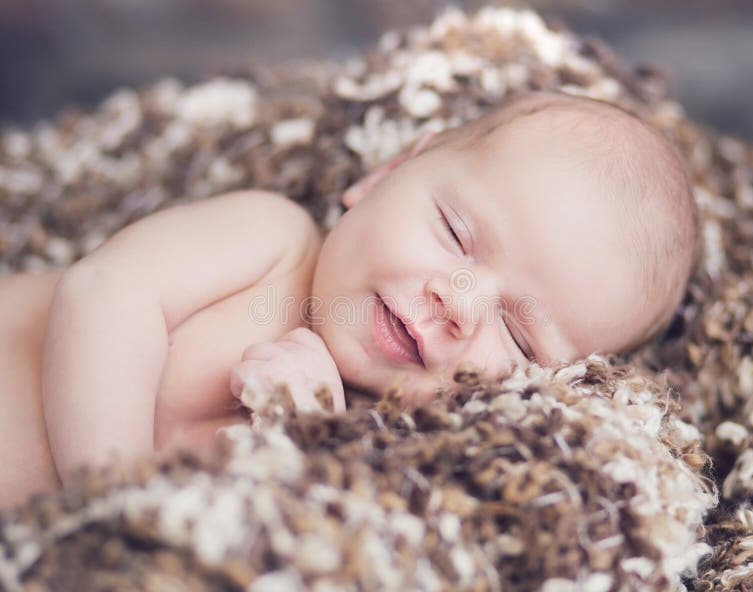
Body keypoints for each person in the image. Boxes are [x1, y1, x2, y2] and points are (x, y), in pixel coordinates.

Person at [0, 91, 696, 509]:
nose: (458, 302)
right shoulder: (271, 241)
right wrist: (111, 506)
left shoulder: (369, 450)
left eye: (519, 336)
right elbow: (105, 294)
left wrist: (285, 435)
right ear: (387, 173)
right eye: (455, 233)